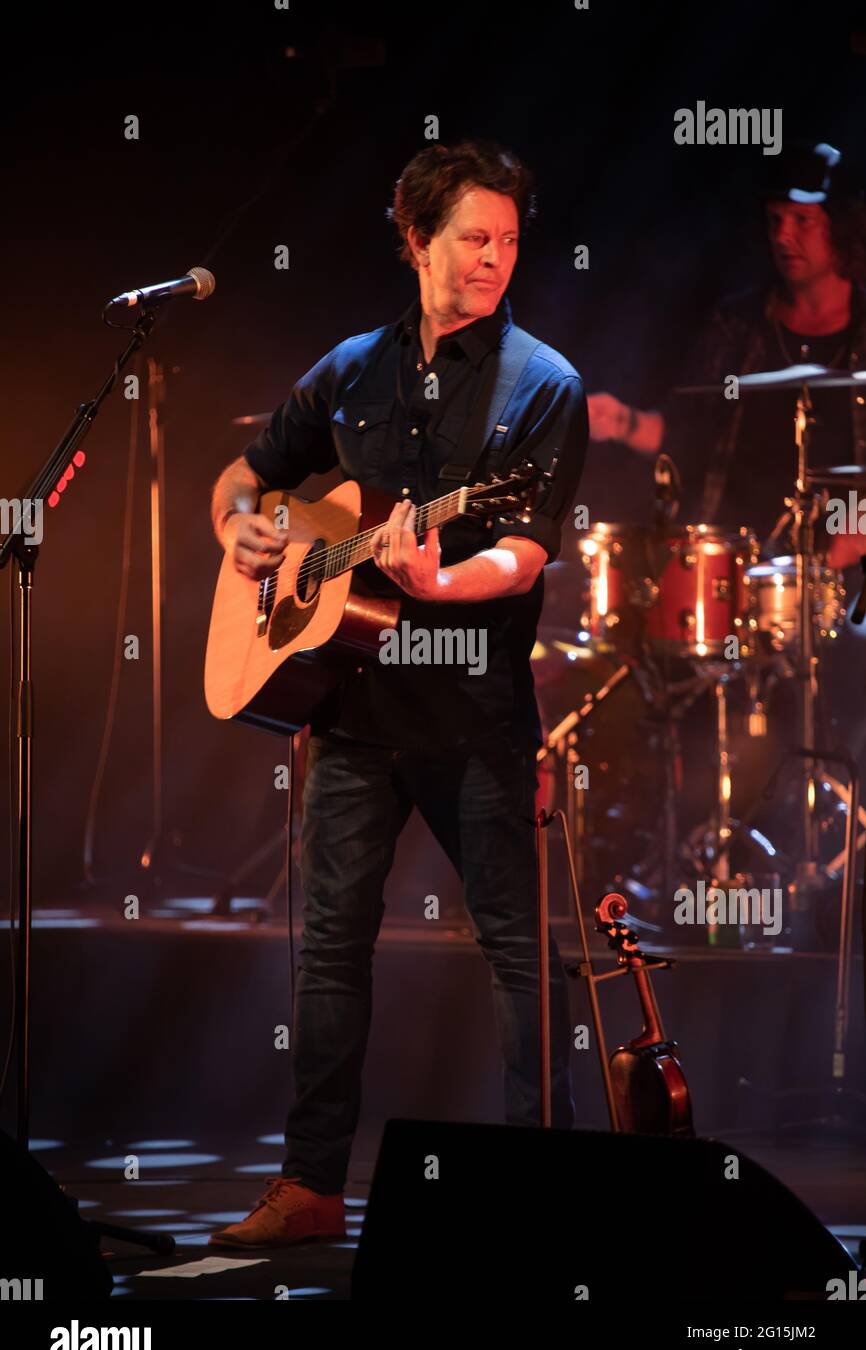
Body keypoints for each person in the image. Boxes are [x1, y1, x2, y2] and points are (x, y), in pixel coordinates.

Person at [207, 138, 588, 1248]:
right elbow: (248, 478)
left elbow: (525, 550)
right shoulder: (352, 367)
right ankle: (311, 1186)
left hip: (474, 716)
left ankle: (535, 1195)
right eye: (473, 238)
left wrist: (445, 580)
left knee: (517, 954)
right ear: (415, 240)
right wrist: (243, 530)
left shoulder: (543, 385)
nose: (493, 260)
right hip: (350, 710)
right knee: (329, 945)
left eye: (510, 242)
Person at [587, 140, 866, 564]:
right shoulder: (738, 322)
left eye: (802, 220)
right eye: (774, 220)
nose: (783, 235)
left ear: (842, 226)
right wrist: (623, 422)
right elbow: (687, 434)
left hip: (846, 585)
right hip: (736, 566)